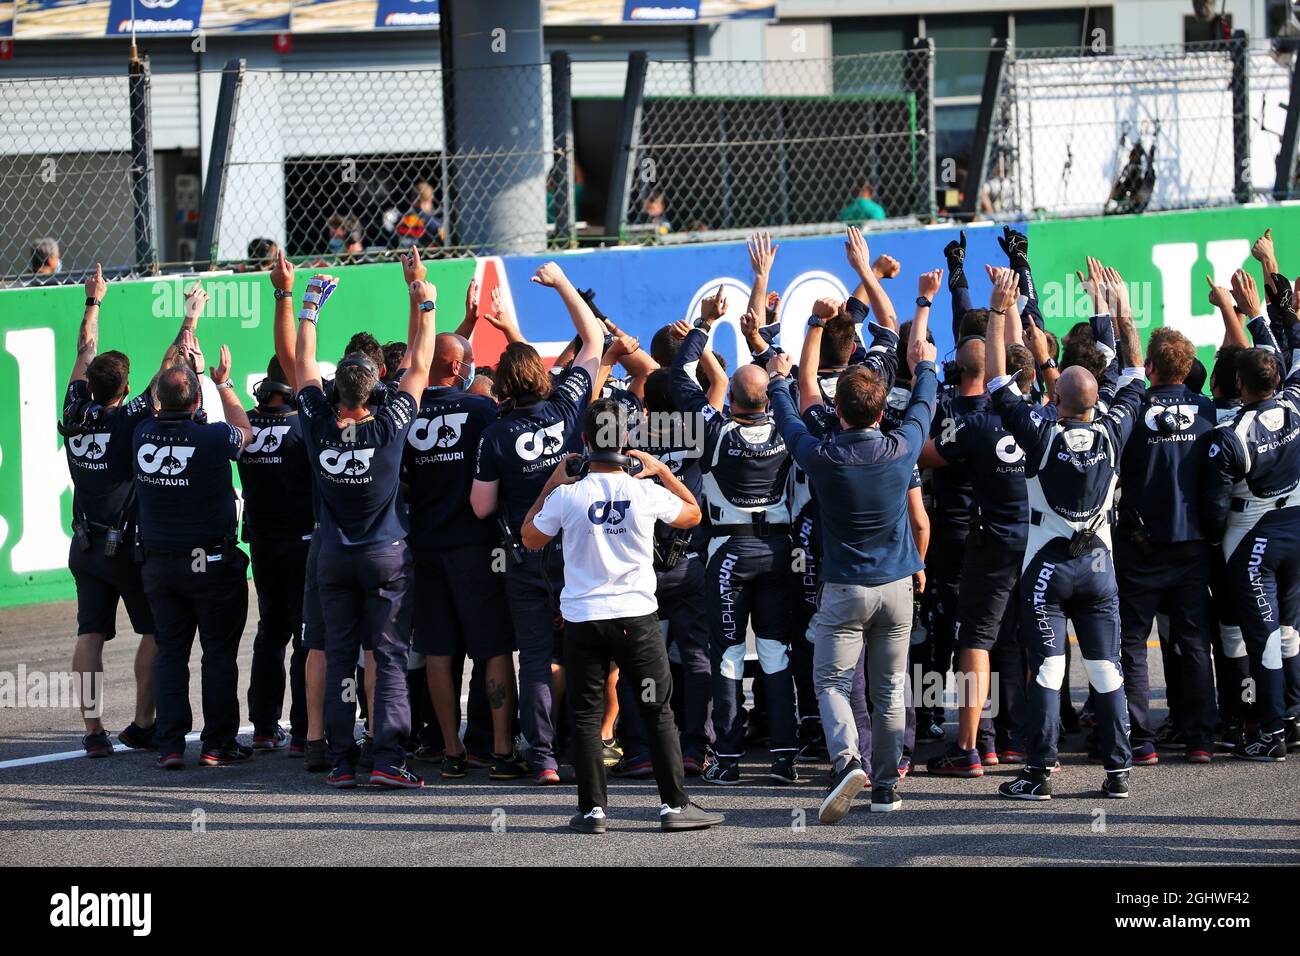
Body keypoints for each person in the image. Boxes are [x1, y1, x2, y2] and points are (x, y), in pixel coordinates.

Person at [521, 398, 723, 834]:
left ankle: (592, 811)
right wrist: (662, 470)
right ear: (627, 441)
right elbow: (693, 514)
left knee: (587, 715)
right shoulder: (645, 492)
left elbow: (529, 538)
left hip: (584, 620)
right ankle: (674, 806)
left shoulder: (567, 496)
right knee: (657, 710)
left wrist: (551, 483)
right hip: (636, 617)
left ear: (585, 442)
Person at [987, 266, 1146, 802]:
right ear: (1096, 399)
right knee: (1106, 669)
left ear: (1057, 402)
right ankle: (1118, 772)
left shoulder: (1038, 432)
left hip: (1047, 569)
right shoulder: (1114, 426)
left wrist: (996, 313)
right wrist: (1118, 311)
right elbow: (1136, 372)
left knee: (1049, 671)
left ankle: (1040, 772)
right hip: (1100, 568)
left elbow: (996, 383)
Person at [294, 271, 436, 789]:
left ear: (336, 390)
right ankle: (388, 758)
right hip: (385, 556)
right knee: (388, 654)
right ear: (376, 387)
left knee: (340, 659)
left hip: (332, 555)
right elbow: (420, 363)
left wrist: (309, 303)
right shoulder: (390, 422)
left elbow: (302, 365)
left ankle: (341, 761)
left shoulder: (314, 419)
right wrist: (423, 299)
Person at [471, 261, 605, 783]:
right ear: (543, 376)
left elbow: (482, 507)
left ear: (502, 385)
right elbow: (592, 337)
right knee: (584, 648)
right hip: (576, 549)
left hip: (525, 552)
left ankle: (544, 756)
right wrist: (562, 284)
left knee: (534, 654)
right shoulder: (567, 405)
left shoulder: (495, 434)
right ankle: (586, 745)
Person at [669, 285, 798, 786]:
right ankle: (784, 758)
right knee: (774, 652)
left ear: (735, 399)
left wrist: (705, 324)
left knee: (726, 655)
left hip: (728, 554)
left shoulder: (714, 429)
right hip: (780, 551)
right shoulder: (791, 427)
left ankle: (727, 757)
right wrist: (766, 352)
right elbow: (784, 379)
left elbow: (679, 375)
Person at [63, 263, 184, 756]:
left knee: (89, 633)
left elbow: (84, 350)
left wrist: (94, 301)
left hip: (84, 543)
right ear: (123, 388)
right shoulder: (128, 419)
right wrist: (189, 321)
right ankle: (141, 722)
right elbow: (170, 371)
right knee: (154, 630)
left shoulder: (73, 411)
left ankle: (93, 731)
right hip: (124, 546)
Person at [133, 285, 254, 769]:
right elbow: (245, 434)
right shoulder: (210, 439)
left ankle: (168, 744)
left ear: (158, 402)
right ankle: (217, 744)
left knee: (170, 654)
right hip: (211, 564)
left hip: (159, 565)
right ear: (195, 399)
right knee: (218, 655)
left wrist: (188, 322)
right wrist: (220, 383)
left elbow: (163, 378)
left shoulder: (140, 432)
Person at [402, 305, 525, 780]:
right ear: (458, 368)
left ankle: (451, 750)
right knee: (493, 648)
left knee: (437, 649)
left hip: (425, 545)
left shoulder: (405, 407)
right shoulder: (480, 409)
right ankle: (499, 750)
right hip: (476, 548)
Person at [1202, 276, 1300, 762]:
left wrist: (1211, 543)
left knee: (1262, 637)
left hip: (1250, 540)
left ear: (1240, 383)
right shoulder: (1296, 403)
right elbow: (1288, 352)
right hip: (1295, 530)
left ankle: (1273, 732)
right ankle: (1293, 718)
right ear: (1277, 379)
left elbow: (1215, 508)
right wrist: (1255, 311)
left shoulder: (1229, 436)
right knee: (1289, 631)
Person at [237, 355, 314, 755]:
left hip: (262, 543)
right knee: (305, 634)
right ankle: (303, 732)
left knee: (270, 630)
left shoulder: (244, 424)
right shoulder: (307, 425)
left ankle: (265, 727)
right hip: (302, 542)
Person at [397, 182, 440, 248]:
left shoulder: (400, 220)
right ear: (430, 199)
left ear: (412, 198)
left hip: (402, 256)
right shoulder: (433, 223)